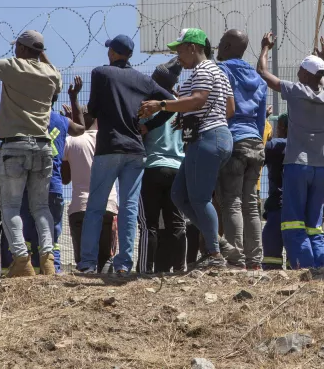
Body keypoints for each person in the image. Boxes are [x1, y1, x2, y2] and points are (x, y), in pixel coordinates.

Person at [0, 20, 63, 277]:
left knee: (10, 206)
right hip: (43, 147)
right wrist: (40, 51)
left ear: (20, 47)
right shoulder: (52, 74)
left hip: (15, 145)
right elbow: (54, 75)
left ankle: (21, 260)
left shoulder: (12, 66)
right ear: (40, 51)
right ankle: (48, 257)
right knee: (40, 207)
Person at [74, 34, 170, 275]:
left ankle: (87, 263)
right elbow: (171, 101)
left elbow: (93, 109)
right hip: (135, 150)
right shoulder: (142, 80)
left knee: (95, 207)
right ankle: (124, 265)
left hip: (108, 148)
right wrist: (150, 124)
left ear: (114, 52)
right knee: (129, 208)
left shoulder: (101, 73)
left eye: (110, 50)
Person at [139, 28, 234, 270]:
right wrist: (192, 114)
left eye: (180, 50)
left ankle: (214, 256)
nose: (178, 56)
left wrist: (163, 104)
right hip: (216, 137)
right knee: (179, 195)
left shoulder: (203, 70)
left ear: (192, 47)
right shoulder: (220, 72)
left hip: (207, 138)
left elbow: (199, 99)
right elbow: (230, 109)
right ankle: (218, 243)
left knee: (200, 198)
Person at [256, 34, 324, 269]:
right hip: (322, 168)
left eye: (300, 71)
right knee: (314, 224)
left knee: (293, 223)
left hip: (298, 165)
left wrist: (265, 48)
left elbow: (263, 73)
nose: (297, 74)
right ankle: (321, 265)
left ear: (306, 74)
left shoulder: (296, 91)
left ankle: (303, 266)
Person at [215, 29, 269, 270]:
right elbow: (260, 120)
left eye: (219, 44)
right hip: (256, 143)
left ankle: (235, 258)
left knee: (232, 202)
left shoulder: (221, 70)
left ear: (226, 47)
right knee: (251, 203)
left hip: (233, 141)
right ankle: (255, 260)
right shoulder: (259, 79)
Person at [139, 60, 188, 273]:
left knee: (149, 223)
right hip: (177, 167)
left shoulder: (148, 105)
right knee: (176, 221)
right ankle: (179, 268)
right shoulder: (182, 105)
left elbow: (140, 133)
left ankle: (146, 269)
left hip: (152, 166)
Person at [63, 102, 119, 274]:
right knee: (106, 262)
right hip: (107, 206)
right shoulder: (110, 139)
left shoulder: (71, 141)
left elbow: (65, 179)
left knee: (84, 263)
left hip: (80, 207)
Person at [262, 114, 288, 269]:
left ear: (282, 128)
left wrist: (263, 123)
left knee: (272, 253)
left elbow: (258, 147)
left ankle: (273, 276)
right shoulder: (304, 145)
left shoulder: (277, 145)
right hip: (297, 208)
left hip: (278, 206)